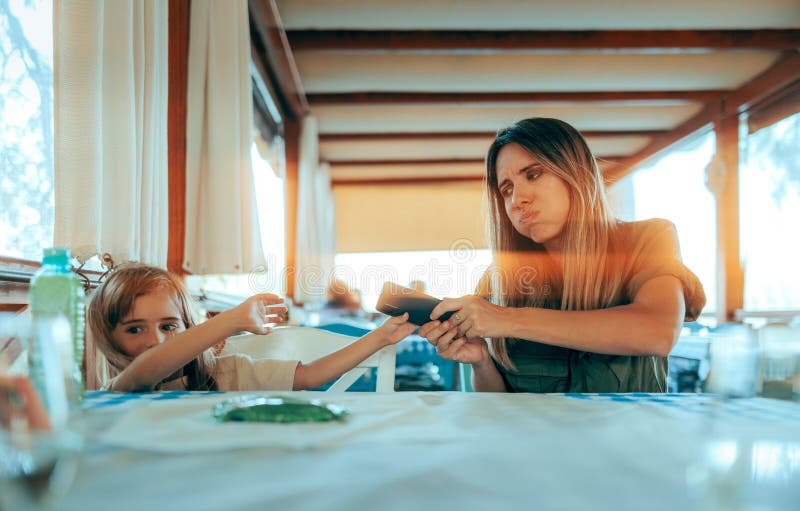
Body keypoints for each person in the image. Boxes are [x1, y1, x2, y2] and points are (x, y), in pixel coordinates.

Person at [419, 118, 706, 393]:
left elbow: (657, 331)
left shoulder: (649, 239)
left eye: (533, 175)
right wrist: (481, 361)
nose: (517, 200)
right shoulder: (497, 281)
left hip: (627, 442)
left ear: (575, 171)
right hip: (533, 442)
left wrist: (507, 319)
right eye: (507, 189)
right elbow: (498, 405)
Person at [87, 264, 415, 392]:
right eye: (134, 330)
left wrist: (381, 337)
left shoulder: (226, 372)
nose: (155, 340)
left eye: (169, 326)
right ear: (108, 339)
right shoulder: (120, 390)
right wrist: (230, 321)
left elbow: (311, 376)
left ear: (187, 326)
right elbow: (148, 371)